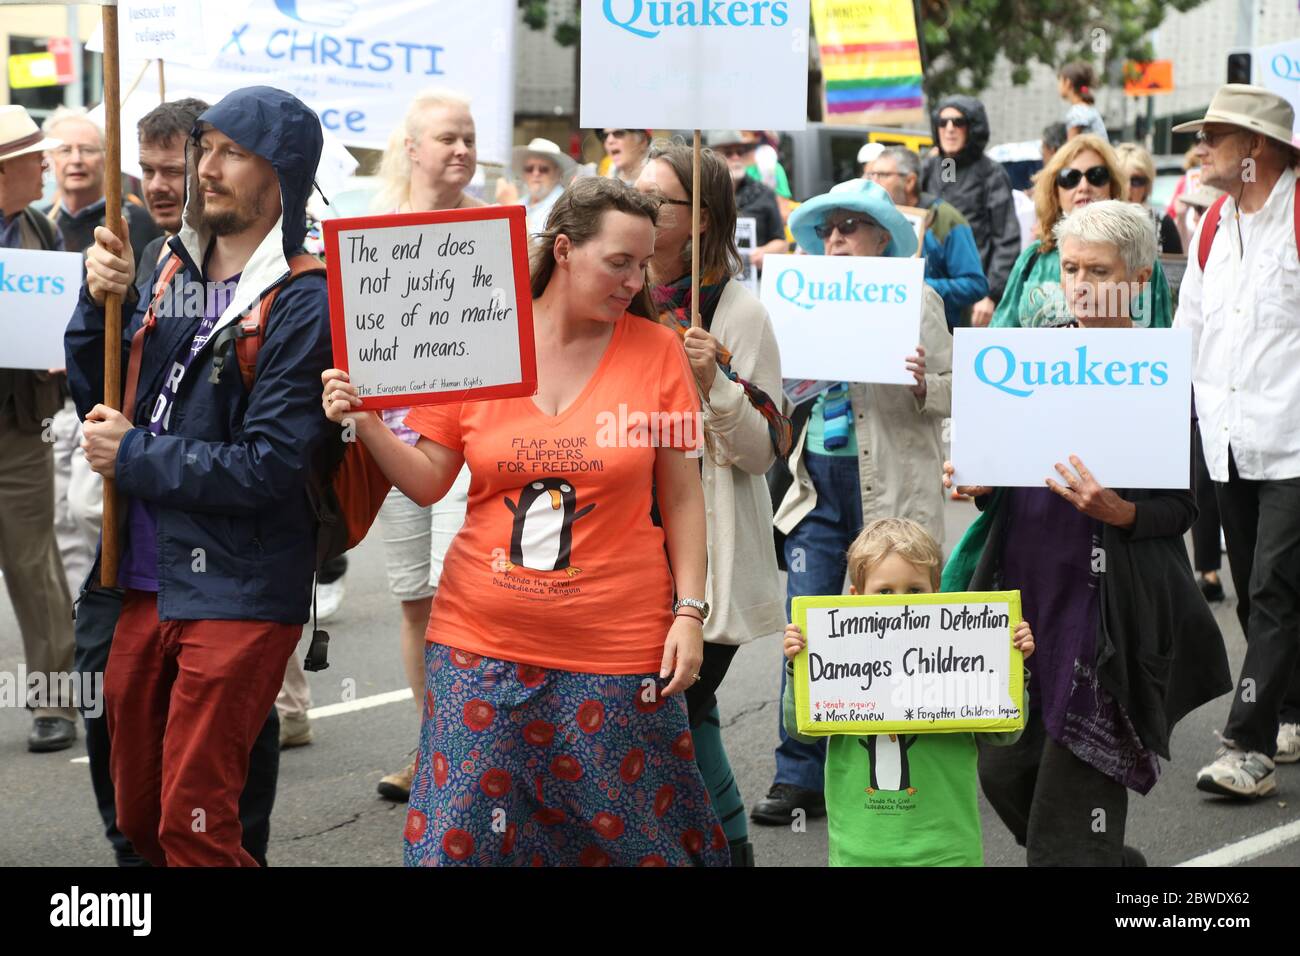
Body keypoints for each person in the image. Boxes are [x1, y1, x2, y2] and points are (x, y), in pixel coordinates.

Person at [322, 177, 728, 866]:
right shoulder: (478, 343)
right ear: (564, 250)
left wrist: (690, 612)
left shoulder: (659, 351)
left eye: (645, 263)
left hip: (617, 649)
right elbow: (427, 482)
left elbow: (683, 497)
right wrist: (365, 421)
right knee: (460, 846)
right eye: (619, 262)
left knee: (628, 845)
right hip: (478, 645)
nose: (637, 279)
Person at [66, 87, 333, 866]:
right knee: (141, 821)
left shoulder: (304, 298)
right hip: (138, 581)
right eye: (203, 149)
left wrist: (136, 455)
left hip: (237, 590)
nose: (203, 169)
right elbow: (105, 401)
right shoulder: (168, 264)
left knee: (198, 826)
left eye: (229, 153)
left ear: (278, 175)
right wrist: (96, 307)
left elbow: (273, 467)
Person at [943, 199, 1230, 865]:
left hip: (1104, 612)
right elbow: (996, 484)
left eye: (1097, 270)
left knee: (1070, 815)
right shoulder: (1024, 358)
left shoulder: (1158, 372)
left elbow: (1183, 510)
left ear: (1135, 280)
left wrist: (1119, 512)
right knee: (1005, 773)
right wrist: (980, 482)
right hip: (1021, 597)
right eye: (1070, 267)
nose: (1079, 282)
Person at [751, 179, 952, 825]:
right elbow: (772, 396)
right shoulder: (800, 300)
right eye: (829, 229)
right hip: (816, 492)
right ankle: (799, 774)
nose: (836, 238)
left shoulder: (918, 299)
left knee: (896, 631)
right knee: (807, 627)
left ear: (881, 239)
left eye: (850, 227)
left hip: (891, 490)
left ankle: (894, 761)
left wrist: (927, 383)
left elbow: (954, 392)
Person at [635, 143, 788, 865]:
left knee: (675, 706)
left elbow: (764, 449)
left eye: (657, 200)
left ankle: (726, 851)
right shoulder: (616, 290)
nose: (638, 206)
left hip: (711, 552)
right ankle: (723, 847)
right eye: (633, 191)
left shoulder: (738, 311)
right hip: (629, 541)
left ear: (700, 221)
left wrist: (714, 383)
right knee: (685, 712)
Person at [1174, 85, 1300, 794]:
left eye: (1213, 135)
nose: (1199, 148)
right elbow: (1187, 337)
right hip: (1229, 446)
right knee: (1257, 599)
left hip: (1295, 445)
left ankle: (1245, 746)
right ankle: (1291, 710)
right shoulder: (1215, 224)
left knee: (1273, 592)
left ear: (1255, 148)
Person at [781, 518, 1035, 865]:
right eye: (885, 592)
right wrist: (801, 668)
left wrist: (1011, 665)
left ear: (936, 592)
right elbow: (801, 732)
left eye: (914, 591)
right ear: (856, 597)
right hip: (860, 852)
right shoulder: (839, 655)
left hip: (947, 852)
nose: (900, 604)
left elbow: (1005, 734)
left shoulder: (960, 652)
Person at [366, 88, 482, 800]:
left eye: (468, 137)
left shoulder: (500, 232)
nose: (463, 150)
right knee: (415, 601)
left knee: (453, 592)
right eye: (448, 138)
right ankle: (431, 740)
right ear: (411, 148)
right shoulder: (373, 232)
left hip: (473, 448)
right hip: (396, 443)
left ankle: (461, 742)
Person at [0, 105, 77, 754]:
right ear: (6, 170)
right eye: (37, 159)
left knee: (34, 562)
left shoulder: (40, 230)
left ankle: (55, 703)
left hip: (19, 426)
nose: (47, 167)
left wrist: (62, 345)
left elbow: (62, 314)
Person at [991, 134, 1173, 330]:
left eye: (1096, 176)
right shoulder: (1033, 258)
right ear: (1055, 190)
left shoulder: (1140, 259)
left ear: (1112, 185)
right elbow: (1000, 334)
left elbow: (1160, 344)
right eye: (1069, 178)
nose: (1084, 187)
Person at [921, 96, 1021, 328]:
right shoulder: (932, 167)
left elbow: (1006, 238)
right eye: (943, 122)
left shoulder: (991, 173)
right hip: (932, 293)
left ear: (973, 128)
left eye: (958, 122)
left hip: (973, 297)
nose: (949, 129)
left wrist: (991, 294)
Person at [869, 145, 988, 329]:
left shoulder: (946, 219)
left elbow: (975, 285)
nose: (873, 182)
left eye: (882, 175)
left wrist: (919, 286)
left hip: (937, 338)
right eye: (871, 175)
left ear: (909, 181)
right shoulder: (870, 220)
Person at [42, 108, 160, 260]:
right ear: (49, 158)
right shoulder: (38, 225)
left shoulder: (138, 222)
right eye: (65, 150)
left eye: (87, 150)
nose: (76, 160)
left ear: (107, 157)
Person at [707, 130, 787, 272]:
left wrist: (764, 252)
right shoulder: (702, 194)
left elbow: (781, 242)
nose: (736, 157)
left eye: (740, 152)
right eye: (728, 153)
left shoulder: (764, 193)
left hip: (752, 282)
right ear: (713, 157)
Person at [496, 137, 574, 235]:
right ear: (523, 174)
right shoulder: (522, 201)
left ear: (557, 174)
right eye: (529, 169)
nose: (535, 173)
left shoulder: (565, 205)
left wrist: (512, 207)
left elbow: (539, 246)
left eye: (543, 169)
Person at [1115, 142, 1182, 254]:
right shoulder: (1097, 223)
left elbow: (1175, 269)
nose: (1128, 187)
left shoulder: (1162, 223)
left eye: (1136, 181)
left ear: (1147, 185)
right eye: (1121, 179)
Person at [1058, 61, 1108, 142]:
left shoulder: (1077, 112)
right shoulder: (1088, 109)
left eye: (1060, 80)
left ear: (1067, 82)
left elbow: (1071, 149)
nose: (1058, 86)